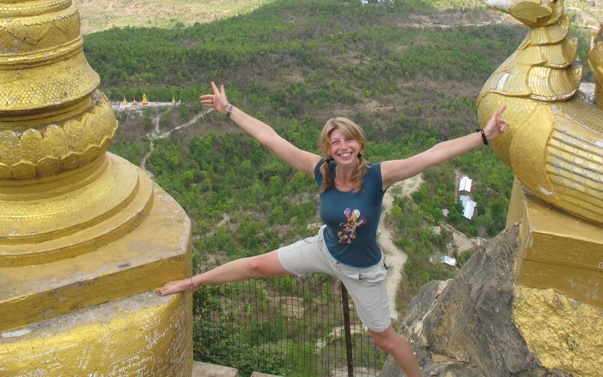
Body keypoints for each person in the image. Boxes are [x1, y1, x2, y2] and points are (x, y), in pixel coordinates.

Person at [159, 81, 508, 376]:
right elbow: (270, 137)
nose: (342, 147)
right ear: (327, 149)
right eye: (334, 142)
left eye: (348, 140)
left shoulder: (377, 176)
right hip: (323, 250)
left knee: (384, 339)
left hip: (362, 271)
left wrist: (484, 136)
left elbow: (433, 154)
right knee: (254, 265)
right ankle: (192, 283)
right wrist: (228, 109)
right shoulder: (320, 171)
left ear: (359, 144)